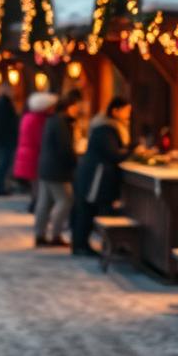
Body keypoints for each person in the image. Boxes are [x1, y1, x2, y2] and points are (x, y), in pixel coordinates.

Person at [71, 96, 132, 256]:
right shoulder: (106, 128)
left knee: (88, 208)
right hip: (95, 175)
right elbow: (112, 154)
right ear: (115, 111)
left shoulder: (108, 126)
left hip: (95, 173)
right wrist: (132, 151)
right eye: (126, 110)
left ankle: (84, 244)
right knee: (87, 209)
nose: (128, 114)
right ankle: (81, 245)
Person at [33, 90, 83, 247]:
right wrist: (74, 163)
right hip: (57, 170)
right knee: (65, 200)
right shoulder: (61, 123)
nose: (78, 109)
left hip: (46, 167)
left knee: (45, 202)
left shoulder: (53, 120)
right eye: (76, 106)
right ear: (69, 107)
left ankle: (40, 234)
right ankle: (55, 234)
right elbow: (65, 148)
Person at [14, 91, 58, 213]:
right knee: (38, 184)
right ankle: (36, 206)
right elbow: (41, 139)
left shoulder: (28, 117)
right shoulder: (39, 120)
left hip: (27, 154)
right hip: (34, 155)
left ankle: (35, 204)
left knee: (35, 184)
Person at [0, 83, 20, 196]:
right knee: (3, 163)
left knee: (3, 163)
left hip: (3, 139)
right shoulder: (3, 103)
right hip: (4, 139)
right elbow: (3, 123)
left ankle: (0, 186)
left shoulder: (2, 102)